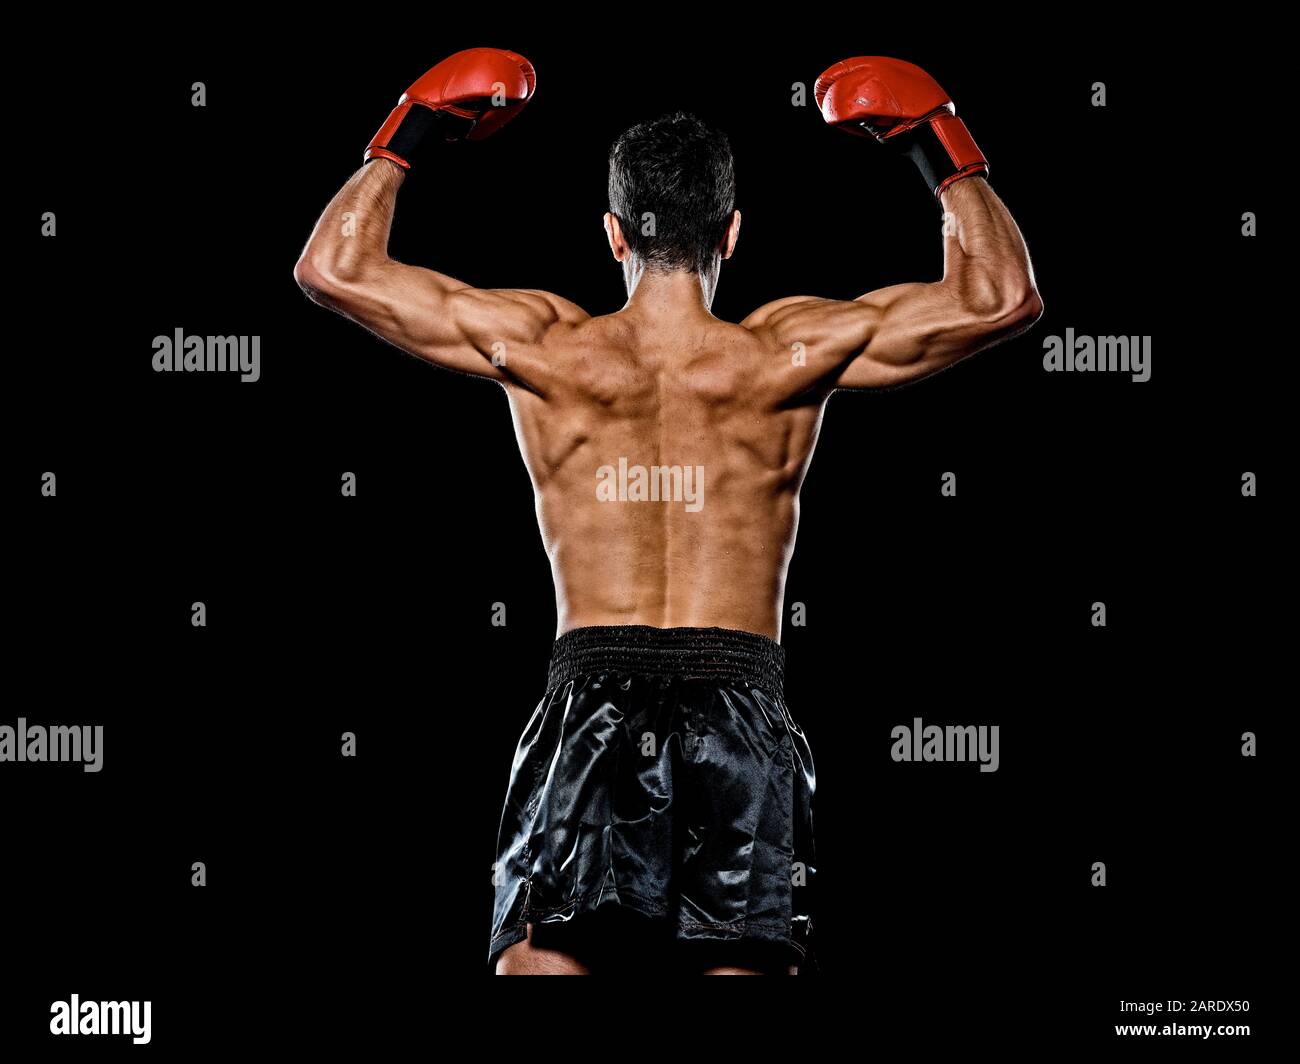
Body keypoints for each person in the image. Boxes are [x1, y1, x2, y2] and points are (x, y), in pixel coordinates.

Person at [294, 48, 1043, 974]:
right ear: (731, 234)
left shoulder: (544, 345)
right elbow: (1001, 295)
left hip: (591, 699)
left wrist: (408, 130)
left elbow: (332, 267)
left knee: (544, 967)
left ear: (614, 233)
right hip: (741, 705)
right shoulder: (789, 351)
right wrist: (941, 146)